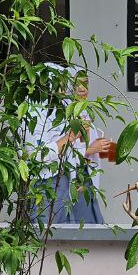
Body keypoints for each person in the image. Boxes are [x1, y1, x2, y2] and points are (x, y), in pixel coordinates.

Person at [27, 69, 116, 226]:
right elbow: (46, 154)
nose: (82, 89)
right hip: (55, 180)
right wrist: (89, 148)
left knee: (88, 234)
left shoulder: (84, 112)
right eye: (76, 84)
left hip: (83, 183)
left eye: (86, 83)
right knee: (53, 231)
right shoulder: (43, 114)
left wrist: (107, 149)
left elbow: (86, 147)